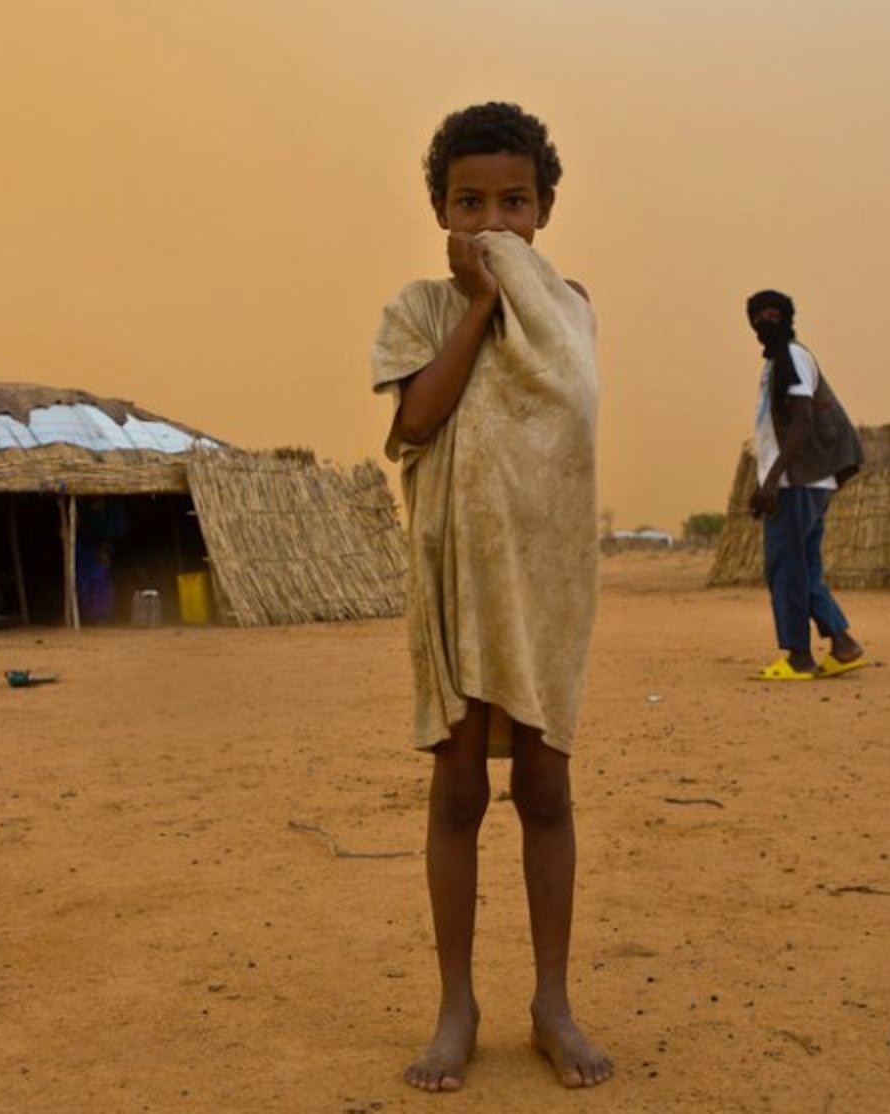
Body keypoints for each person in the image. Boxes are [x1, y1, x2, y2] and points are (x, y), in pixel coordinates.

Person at [369, 102, 612, 1092]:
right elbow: (416, 421)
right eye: (471, 204)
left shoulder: (572, 305)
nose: (493, 224)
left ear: (544, 209)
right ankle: (455, 1003)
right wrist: (476, 304)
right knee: (460, 789)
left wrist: (521, 299)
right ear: (439, 210)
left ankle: (551, 1001)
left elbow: (578, 413)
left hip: (544, 579)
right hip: (455, 575)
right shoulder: (418, 308)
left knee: (544, 788)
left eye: (514, 202)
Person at [745, 289, 867, 680]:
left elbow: (802, 424)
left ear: (786, 317)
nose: (766, 321)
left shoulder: (792, 357)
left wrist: (774, 480)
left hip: (798, 482)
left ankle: (799, 657)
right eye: (759, 315)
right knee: (804, 568)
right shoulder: (777, 362)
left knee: (787, 570)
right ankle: (843, 644)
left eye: (773, 313)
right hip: (799, 480)